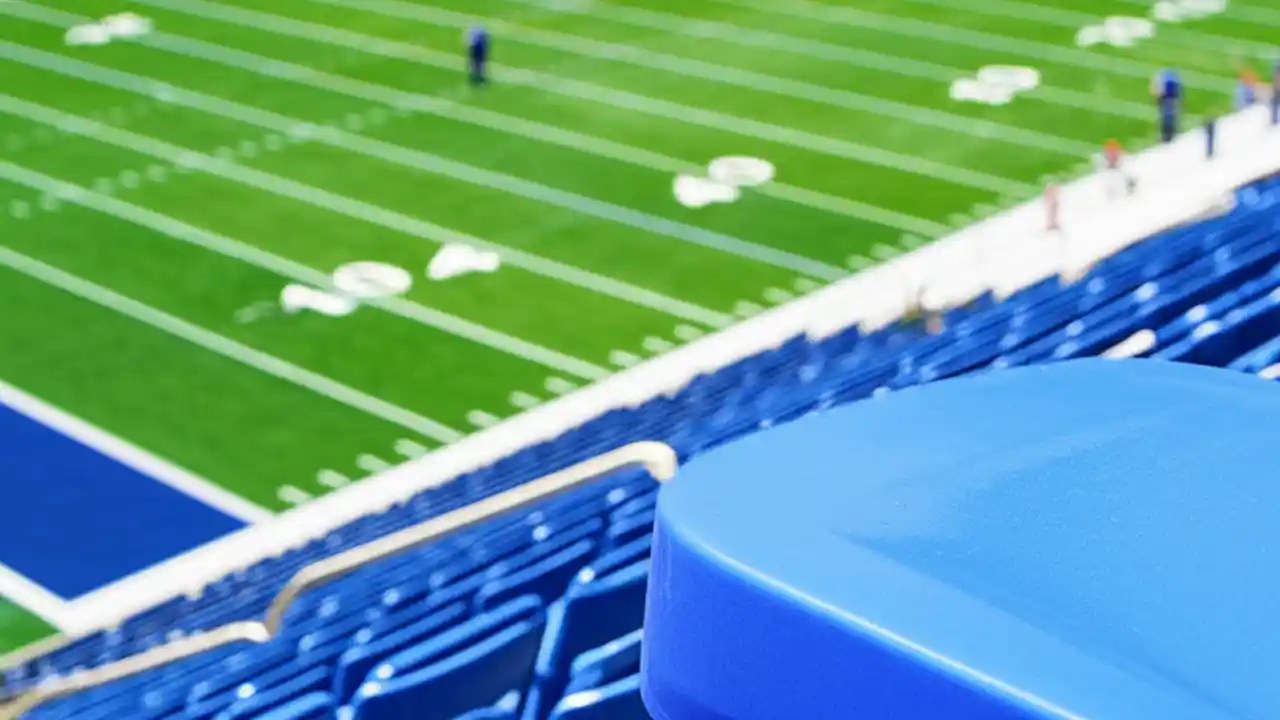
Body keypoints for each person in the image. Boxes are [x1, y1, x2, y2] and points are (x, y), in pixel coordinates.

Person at [1151, 68, 1183, 143]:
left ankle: (1167, 134)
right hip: (1169, 98)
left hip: (1167, 98)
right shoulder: (1165, 80)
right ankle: (1171, 133)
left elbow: (1157, 93)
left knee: (1167, 117)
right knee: (1170, 116)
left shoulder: (1162, 81)